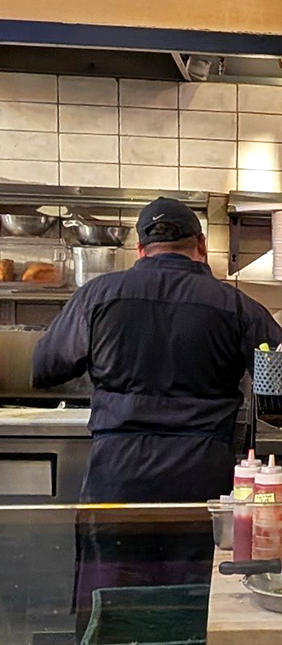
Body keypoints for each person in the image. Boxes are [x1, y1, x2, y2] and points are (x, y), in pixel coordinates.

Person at [34, 196, 282, 503]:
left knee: (115, 551)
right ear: (201, 245)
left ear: (141, 250)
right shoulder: (238, 306)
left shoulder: (97, 295)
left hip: (117, 470)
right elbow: (277, 388)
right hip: (201, 473)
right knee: (197, 551)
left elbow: (45, 367)